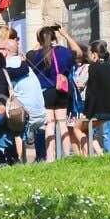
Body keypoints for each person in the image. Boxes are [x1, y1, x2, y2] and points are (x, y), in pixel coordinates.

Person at [27, 24, 81, 161]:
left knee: (49, 125)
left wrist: (41, 41)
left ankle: (50, 158)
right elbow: (79, 53)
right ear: (54, 37)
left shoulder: (36, 55)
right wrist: (66, 35)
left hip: (46, 92)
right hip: (62, 90)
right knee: (63, 124)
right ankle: (66, 156)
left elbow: (28, 55)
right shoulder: (64, 52)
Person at [84, 42, 110, 155]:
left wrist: (87, 111)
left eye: (89, 54)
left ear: (94, 55)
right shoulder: (109, 66)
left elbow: (91, 91)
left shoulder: (93, 68)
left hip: (98, 108)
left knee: (90, 131)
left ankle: (94, 154)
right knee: (108, 132)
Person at [5, 49, 47, 161]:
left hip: (28, 113)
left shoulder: (8, 64)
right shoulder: (25, 65)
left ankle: (17, 160)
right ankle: (41, 158)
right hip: (41, 113)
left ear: (5, 52)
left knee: (13, 125)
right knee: (39, 130)